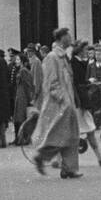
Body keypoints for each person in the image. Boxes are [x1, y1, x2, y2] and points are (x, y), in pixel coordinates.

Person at [30, 28, 82, 178]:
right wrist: (63, 100)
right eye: (69, 35)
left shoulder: (63, 56)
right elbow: (52, 83)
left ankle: (69, 168)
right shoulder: (53, 57)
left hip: (67, 103)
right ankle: (41, 157)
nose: (71, 38)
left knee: (70, 136)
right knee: (58, 136)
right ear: (62, 38)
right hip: (59, 104)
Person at [71, 40, 101, 165]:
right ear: (80, 51)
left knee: (89, 130)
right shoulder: (74, 63)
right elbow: (78, 83)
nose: (87, 53)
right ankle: (60, 158)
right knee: (85, 130)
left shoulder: (80, 63)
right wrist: (89, 83)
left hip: (82, 101)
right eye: (85, 50)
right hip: (79, 101)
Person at [12, 49, 38, 145]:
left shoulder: (23, 71)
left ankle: (22, 139)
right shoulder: (21, 70)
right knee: (19, 118)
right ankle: (20, 138)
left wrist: (29, 98)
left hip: (22, 96)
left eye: (18, 60)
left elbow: (28, 85)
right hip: (20, 95)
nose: (16, 61)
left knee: (20, 118)